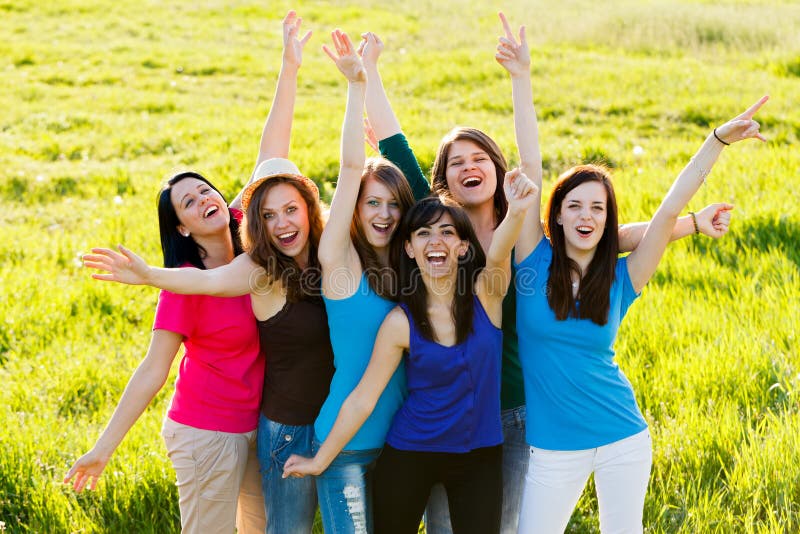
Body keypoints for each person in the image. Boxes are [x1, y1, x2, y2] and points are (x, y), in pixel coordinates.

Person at [360, 13, 734, 534]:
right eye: (455, 161)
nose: (469, 166)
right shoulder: (438, 227)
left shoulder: (527, 233)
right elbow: (394, 145)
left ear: (496, 167)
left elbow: (611, 237)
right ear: (442, 180)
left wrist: (690, 223)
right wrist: (370, 73)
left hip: (516, 406)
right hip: (439, 406)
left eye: (480, 157)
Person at [63, 11, 312, 533]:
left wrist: (289, 67)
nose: (203, 200)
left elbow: (273, 153)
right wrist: (102, 449)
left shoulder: (255, 232)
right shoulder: (181, 282)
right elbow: (153, 372)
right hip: (205, 432)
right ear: (180, 226)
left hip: (260, 427)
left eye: (205, 190)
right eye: (188, 202)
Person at [513, 96, 767, 533]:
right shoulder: (531, 263)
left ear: (609, 219)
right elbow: (530, 164)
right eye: (574, 205)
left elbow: (668, 211)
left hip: (621, 437)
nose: (585, 216)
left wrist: (717, 140)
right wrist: (520, 75)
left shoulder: (622, 278)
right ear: (555, 214)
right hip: (553, 448)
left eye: (598, 208)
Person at [284, 160, 538, 534]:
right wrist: (320, 460)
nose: (436, 241)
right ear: (408, 247)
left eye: (447, 232)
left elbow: (499, 253)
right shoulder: (399, 322)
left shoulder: (487, 296)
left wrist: (516, 211)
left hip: (478, 455)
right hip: (411, 452)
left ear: (464, 247)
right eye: (423, 233)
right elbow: (363, 397)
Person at [304, 29, 427, 533]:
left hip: (401, 445)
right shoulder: (338, 260)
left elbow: (417, 183)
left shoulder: (410, 264)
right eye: (371, 202)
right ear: (353, 207)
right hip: (344, 446)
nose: (383, 212)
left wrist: (375, 75)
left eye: (393, 204)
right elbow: (353, 165)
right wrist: (355, 86)